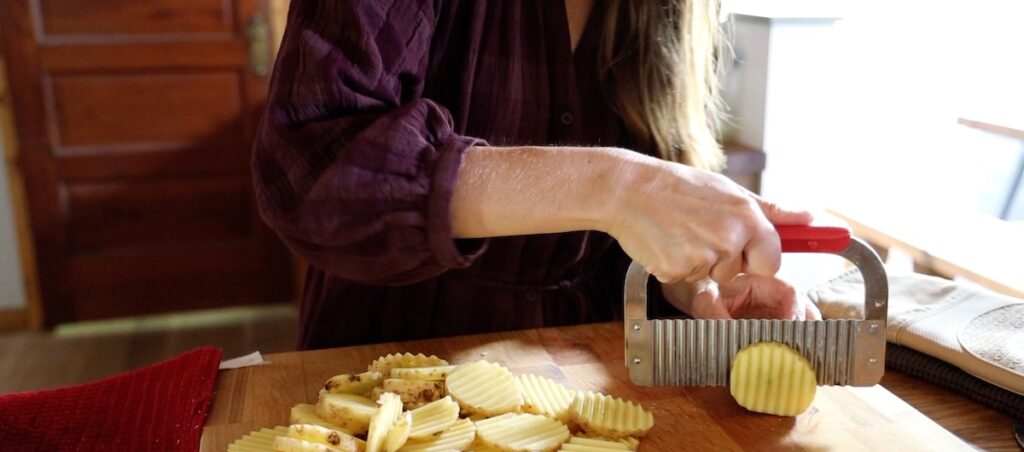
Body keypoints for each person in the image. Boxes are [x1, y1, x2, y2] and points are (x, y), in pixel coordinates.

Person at [252, 0, 820, 350]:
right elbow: (309, 172)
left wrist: (699, 282)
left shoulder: (674, 12)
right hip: (384, 367)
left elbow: (627, 251)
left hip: (586, 376)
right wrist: (616, 185)